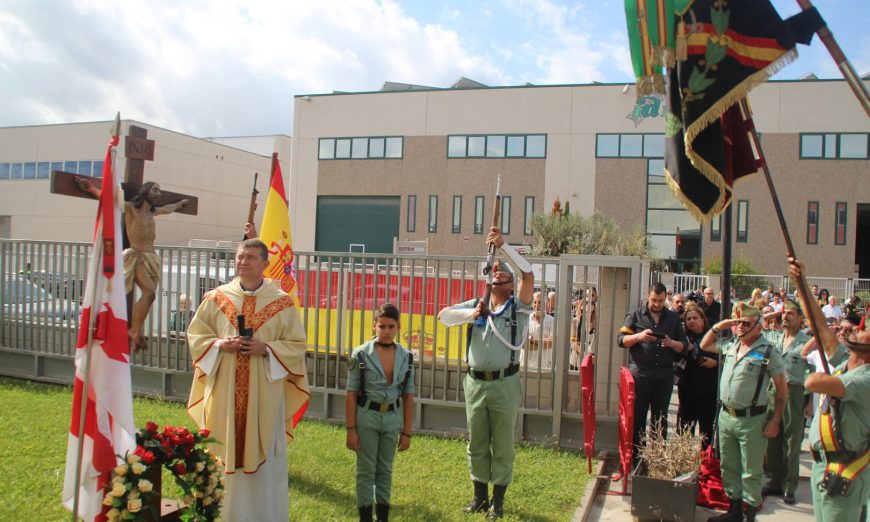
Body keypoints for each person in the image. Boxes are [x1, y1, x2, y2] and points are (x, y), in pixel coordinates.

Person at [186, 239, 310, 522]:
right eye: (240, 257)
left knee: (264, 459)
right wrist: (219, 344)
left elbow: (296, 344)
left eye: (251, 257)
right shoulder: (216, 298)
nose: (243, 262)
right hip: (224, 396)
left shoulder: (281, 302)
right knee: (220, 450)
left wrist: (266, 349)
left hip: (263, 397)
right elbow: (196, 336)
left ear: (265, 264)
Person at [438, 227, 534, 520]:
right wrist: (473, 314)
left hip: (504, 383)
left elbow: (528, 275)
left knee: (502, 443)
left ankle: (498, 501)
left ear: (509, 283)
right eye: (493, 274)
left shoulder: (517, 307)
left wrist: (503, 247)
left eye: (501, 275)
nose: (495, 277)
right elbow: (443, 317)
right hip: (476, 383)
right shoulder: (476, 305)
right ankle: (479, 497)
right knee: (477, 441)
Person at [788, 257, 870, 522]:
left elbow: (813, 382)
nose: (856, 330)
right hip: (826, 466)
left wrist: (822, 360)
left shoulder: (864, 379)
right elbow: (821, 327)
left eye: (862, 331)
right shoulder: (848, 361)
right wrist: (801, 283)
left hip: (846, 469)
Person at [75, 178, 189, 349]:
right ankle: (134, 330)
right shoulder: (130, 209)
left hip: (151, 258)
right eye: (155, 190)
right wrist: (91, 188)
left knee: (151, 296)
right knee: (149, 292)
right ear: (146, 191)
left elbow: (168, 208)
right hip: (137, 257)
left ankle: (136, 329)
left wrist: (181, 203)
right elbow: (110, 200)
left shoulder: (152, 212)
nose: (159, 193)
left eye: (159, 190)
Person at [701, 302, 787, 522]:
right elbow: (705, 344)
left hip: (752, 419)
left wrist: (775, 419)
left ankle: (750, 515)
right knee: (728, 465)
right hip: (727, 416)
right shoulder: (732, 345)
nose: (740, 327)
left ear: (759, 327)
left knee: (751, 470)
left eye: (746, 323)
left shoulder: (768, 351)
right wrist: (721, 325)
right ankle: (734, 511)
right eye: (738, 322)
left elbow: (781, 388)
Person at [346, 303, 414, 522]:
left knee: (385, 469)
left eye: (390, 326)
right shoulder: (361, 355)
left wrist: (407, 432)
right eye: (381, 326)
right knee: (366, 470)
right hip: (367, 416)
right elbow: (351, 393)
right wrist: (351, 429)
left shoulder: (406, 356)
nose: (386, 331)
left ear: (398, 328)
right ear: (374, 326)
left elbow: (408, 396)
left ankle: (382, 516)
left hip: (392, 417)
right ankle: (365, 515)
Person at [617, 282, 687, 459]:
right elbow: (621, 340)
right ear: (648, 296)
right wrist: (639, 337)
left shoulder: (673, 318)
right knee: (638, 418)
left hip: (664, 376)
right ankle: (637, 458)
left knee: (660, 419)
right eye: (654, 300)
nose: (657, 304)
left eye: (661, 300)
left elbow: (684, 346)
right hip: (641, 374)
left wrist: (672, 343)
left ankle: (657, 458)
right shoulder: (635, 315)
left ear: (666, 299)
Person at [761, 299, 812, 505]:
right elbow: (756, 321)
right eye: (784, 312)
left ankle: (789, 486)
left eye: (791, 313)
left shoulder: (806, 342)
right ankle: (775, 481)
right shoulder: (774, 337)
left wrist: (810, 402)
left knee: (792, 441)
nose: (785, 316)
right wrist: (772, 314)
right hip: (773, 391)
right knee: (772, 438)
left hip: (795, 392)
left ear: (801, 319)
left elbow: (815, 372)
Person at [676, 303, 718, 449]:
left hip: (708, 390)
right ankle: (683, 462)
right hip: (687, 390)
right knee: (685, 429)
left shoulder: (712, 337)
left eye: (695, 318)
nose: (691, 321)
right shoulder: (683, 338)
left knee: (706, 430)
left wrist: (716, 362)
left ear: (702, 319)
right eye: (688, 319)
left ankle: (705, 464)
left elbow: (725, 356)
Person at [525, 291, 554, 370]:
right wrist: (543, 343)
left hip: (544, 365)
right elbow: (523, 344)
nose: (536, 305)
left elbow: (551, 343)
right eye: (534, 302)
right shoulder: (525, 319)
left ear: (546, 304)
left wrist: (531, 340)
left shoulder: (552, 321)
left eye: (540, 302)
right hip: (526, 364)